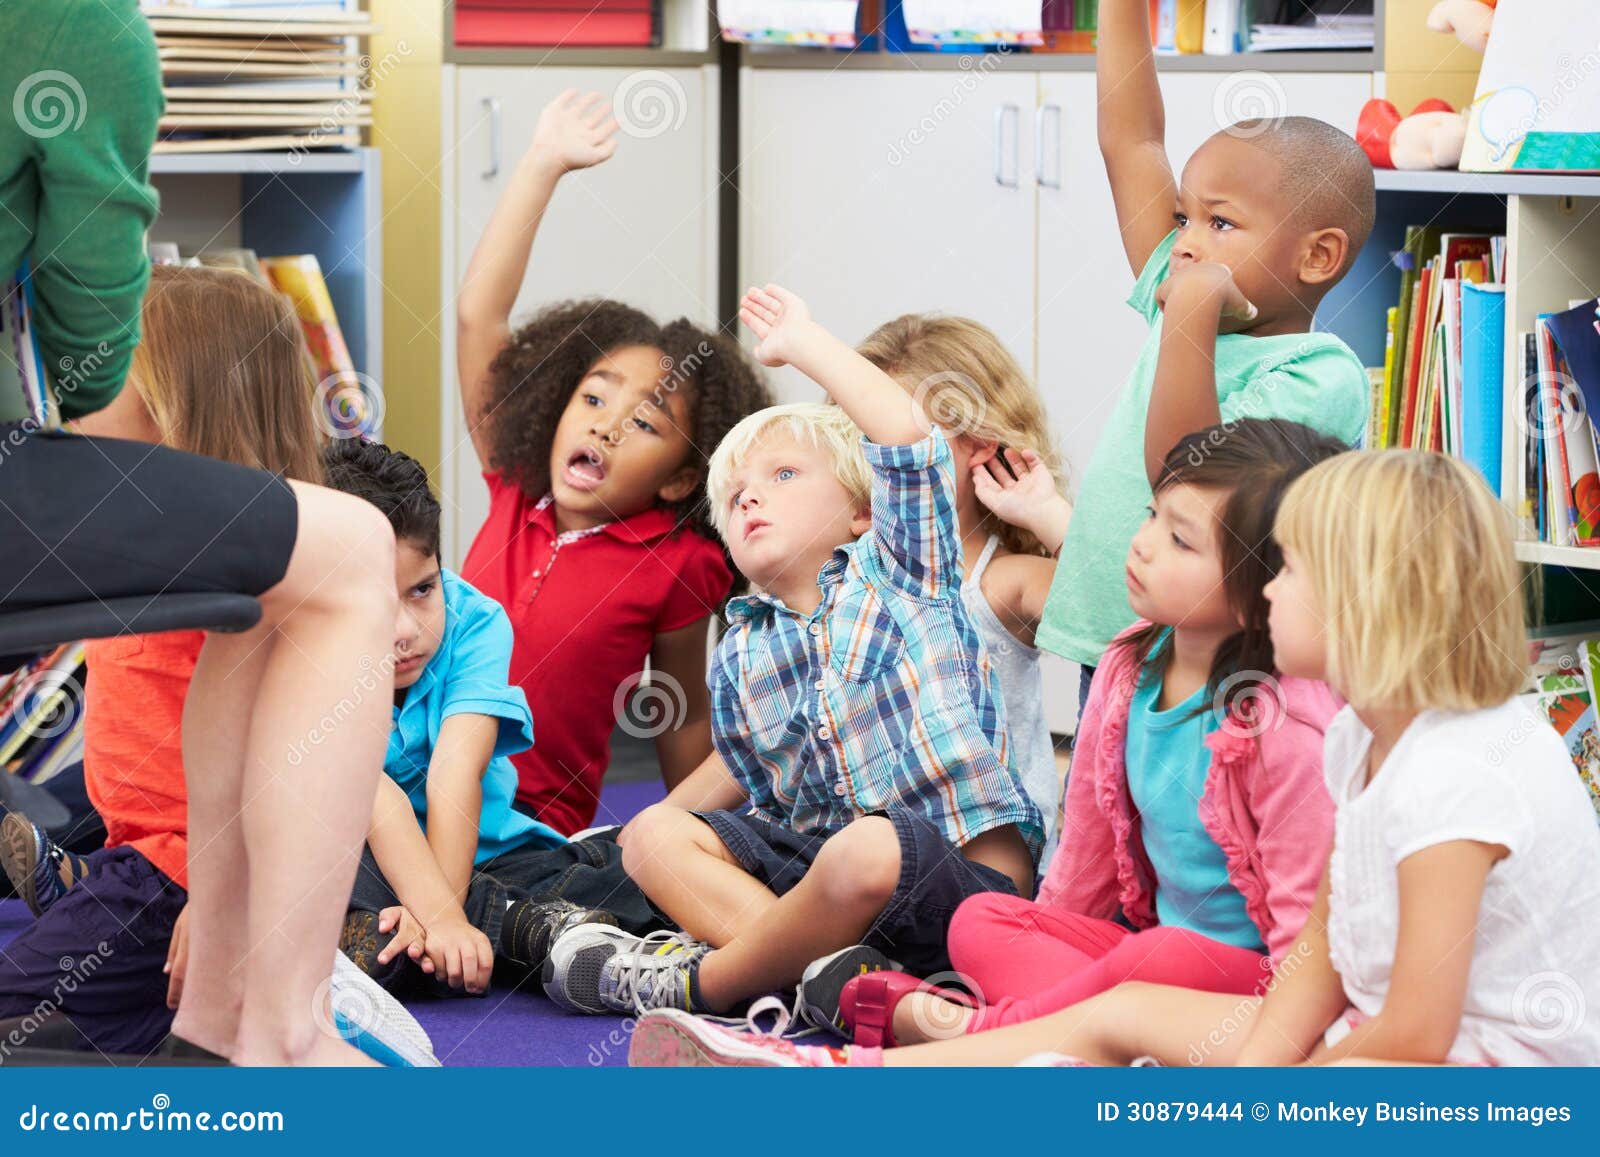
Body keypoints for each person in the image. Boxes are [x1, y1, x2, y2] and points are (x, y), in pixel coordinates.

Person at [628, 450, 1600, 1068]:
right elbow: (1325, 944)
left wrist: (1258, 1092)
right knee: (1120, 1009)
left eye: (1289, 570)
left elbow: (1422, 1036)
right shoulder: (1364, 736)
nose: (1265, 590)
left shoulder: (1448, 772)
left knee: (1122, 1064)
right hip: (1362, 1045)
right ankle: (842, 1074)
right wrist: (1261, 1060)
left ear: (1368, 601)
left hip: (1486, 1090)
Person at [1, 2, 397, 1064]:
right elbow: (92, 331)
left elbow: (375, 783)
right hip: (140, 855)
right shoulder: (69, 24)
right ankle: (272, 1019)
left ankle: (228, 997)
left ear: (174, 411)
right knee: (340, 554)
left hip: (157, 866)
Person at [543, 284, 1042, 1025]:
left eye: (782, 476)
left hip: (961, 878)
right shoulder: (743, 644)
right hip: (830, 887)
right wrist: (618, 849)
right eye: (734, 492)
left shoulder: (905, 572)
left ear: (863, 509)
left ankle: (706, 984)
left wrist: (806, 343)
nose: (749, 497)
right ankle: (836, 984)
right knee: (655, 834)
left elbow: (909, 443)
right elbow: (756, 794)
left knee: (868, 847)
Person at [839, 420, 1345, 1049]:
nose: (1143, 545)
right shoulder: (1128, 663)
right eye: (1152, 516)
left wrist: (1291, 1038)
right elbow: (1086, 857)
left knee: (1161, 955)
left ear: (1258, 587)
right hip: (1143, 959)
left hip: (1264, 986)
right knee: (980, 920)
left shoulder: (1283, 722)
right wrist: (1043, 934)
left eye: (1181, 542)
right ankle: (1082, 1034)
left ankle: (976, 1031)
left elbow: (1311, 941)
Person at [0, 266, 348, 1057]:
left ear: (174, 407)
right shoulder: (132, 523)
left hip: (173, 880)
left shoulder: (246, 574)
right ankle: (122, 1008)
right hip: (134, 832)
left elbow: (292, 761)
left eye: (101, 366)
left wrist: (219, 897)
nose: (69, 389)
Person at [1034, 0, 1375, 717]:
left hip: (1219, 663)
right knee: (1110, 814)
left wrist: (1188, 308)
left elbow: (1187, 476)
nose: (1185, 240)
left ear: (1317, 256)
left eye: (1220, 223)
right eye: (1184, 216)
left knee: (1198, 823)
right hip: (1120, 641)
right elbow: (1131, 142)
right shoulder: (1183, 286)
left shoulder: (1320, 372)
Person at [455, 89, 771, 834]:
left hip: (532, 824)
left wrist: (690, 839)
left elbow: (682, 710)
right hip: (419, 786)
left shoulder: (679, 561)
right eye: (595, 398)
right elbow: (479, 315)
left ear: (679, 478)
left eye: (645, 423)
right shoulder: (513, 488)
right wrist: (542, 164)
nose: (606, 426)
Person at [321, 440, 660, 994]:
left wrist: (441, 911)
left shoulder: (476, 621)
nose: (404, 630)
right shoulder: (299, 642)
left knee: (612, 873)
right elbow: (373, 799)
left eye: (422, 590)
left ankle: (445, 936)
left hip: (486, 854)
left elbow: (456, 769)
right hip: (357, 856)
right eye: (374, 602)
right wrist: (439, 915)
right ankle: (527, 930)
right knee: (319, 886)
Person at [856, 315, 1072, 864]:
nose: (880, 461)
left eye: (894, 438)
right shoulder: (844, 578)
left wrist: (1046, 514)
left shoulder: (1001, 582)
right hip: (862, 855)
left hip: (986, 864)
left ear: (976, 444)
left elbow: (1122, 612)